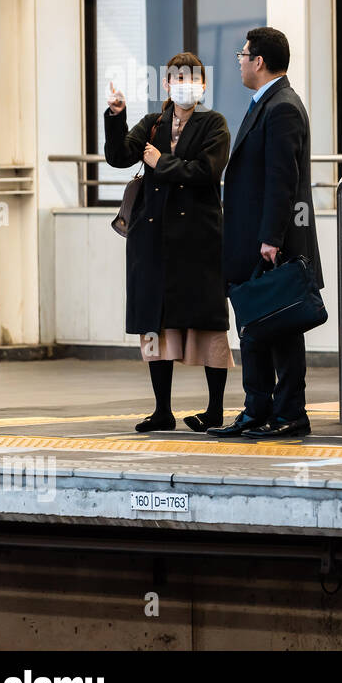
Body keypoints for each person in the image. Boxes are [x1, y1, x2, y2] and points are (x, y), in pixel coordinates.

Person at [104, 52, 234, 433]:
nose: (184, 85)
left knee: (209, 324)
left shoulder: (214, 124)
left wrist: (163, 163)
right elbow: (118, 156)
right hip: (154, 240)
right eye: (177, 79)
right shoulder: (153, 122)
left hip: (199, 239)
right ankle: (162, 409)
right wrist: (116, 116)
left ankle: (215, 410)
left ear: (203, 84)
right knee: (155, 324)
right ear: (166, 84)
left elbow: (207, 170)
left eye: (192, 78)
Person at [210, 27, 323, 439]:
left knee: (282, 329)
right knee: (255, 327)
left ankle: (291, 412)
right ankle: (256, 410)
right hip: (252, 240)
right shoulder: (265, 104)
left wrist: (272, 239)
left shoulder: (282, 108)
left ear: (258, 61)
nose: (239, 61)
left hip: (272, 243)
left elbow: (282, 180)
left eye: (242, 54)